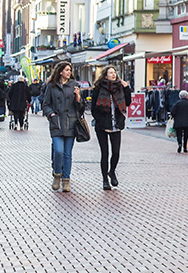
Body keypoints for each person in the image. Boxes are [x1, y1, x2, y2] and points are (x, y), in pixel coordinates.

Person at [42, 61, 85, 192]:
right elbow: (45, 104)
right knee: (58, 151)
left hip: (70, 123)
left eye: (70, 70)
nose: (69, 72)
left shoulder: (74, 85)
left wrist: (78, 97)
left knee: (67, 154)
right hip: (56, 123)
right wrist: (51, 114)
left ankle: (66, 180)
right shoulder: (51, 86)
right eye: (66, 70)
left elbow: (81, 108)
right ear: (60, 71)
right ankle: (57, 174)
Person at [90, 66, 132, 190]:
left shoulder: (119, 87)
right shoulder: (99, 88)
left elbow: (128, 102)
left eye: (114, 72)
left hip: (116, 124)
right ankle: (105, 180)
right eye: (111, 73)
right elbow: (94, 108)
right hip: (102, 125)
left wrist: (126, 88)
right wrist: (100, 119)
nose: (113, 75)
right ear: (105, 75)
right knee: (105, 153)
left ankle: (112, 171)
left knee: (116, 152)